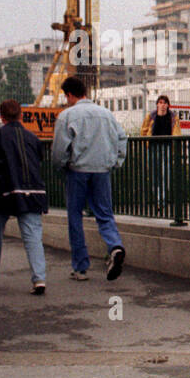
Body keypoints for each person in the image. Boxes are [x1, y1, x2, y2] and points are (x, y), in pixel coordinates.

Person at [52, 75, 128, 281]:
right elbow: (122, 138)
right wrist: (116, 162)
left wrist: (61, 165)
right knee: (104, 213)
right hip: (102, 170)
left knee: (75, 216)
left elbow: (60, 149)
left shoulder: (67, 116)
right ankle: (114, 246)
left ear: (69, 94)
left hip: (77, 170)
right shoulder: (106, 114)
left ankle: (80, 266)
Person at [0, 99, 49, 294]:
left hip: (1, 193)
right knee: (33, 236)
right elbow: (39, 159)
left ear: (1, 115)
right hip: (32, 192)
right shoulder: (32, 138)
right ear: (20, 115)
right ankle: (39, 278)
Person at [140, 95, 180, 209]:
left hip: (166, 147)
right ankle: (158, 198)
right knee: (154, 175)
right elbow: (143, 130)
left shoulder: (173, 117)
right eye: (161, 102)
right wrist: (145, 143)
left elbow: (177, 132)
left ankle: (161, 200)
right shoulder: (151, 116)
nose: (163, 105)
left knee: (165, 174)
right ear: (157, 104)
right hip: (153, 147)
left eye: (165, 103)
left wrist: (175, 144)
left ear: (168, 105)